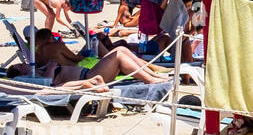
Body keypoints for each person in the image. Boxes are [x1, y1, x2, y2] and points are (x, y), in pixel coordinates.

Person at [33, 28, 168, 86]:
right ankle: (151, 77)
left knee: (120, 49)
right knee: (119, 53)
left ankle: (153, 76)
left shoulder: (37, 56)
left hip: (81, 72)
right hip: (86, 72)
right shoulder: (56, 46)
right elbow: (76, 59)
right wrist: (84, 54)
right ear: (50, 37)